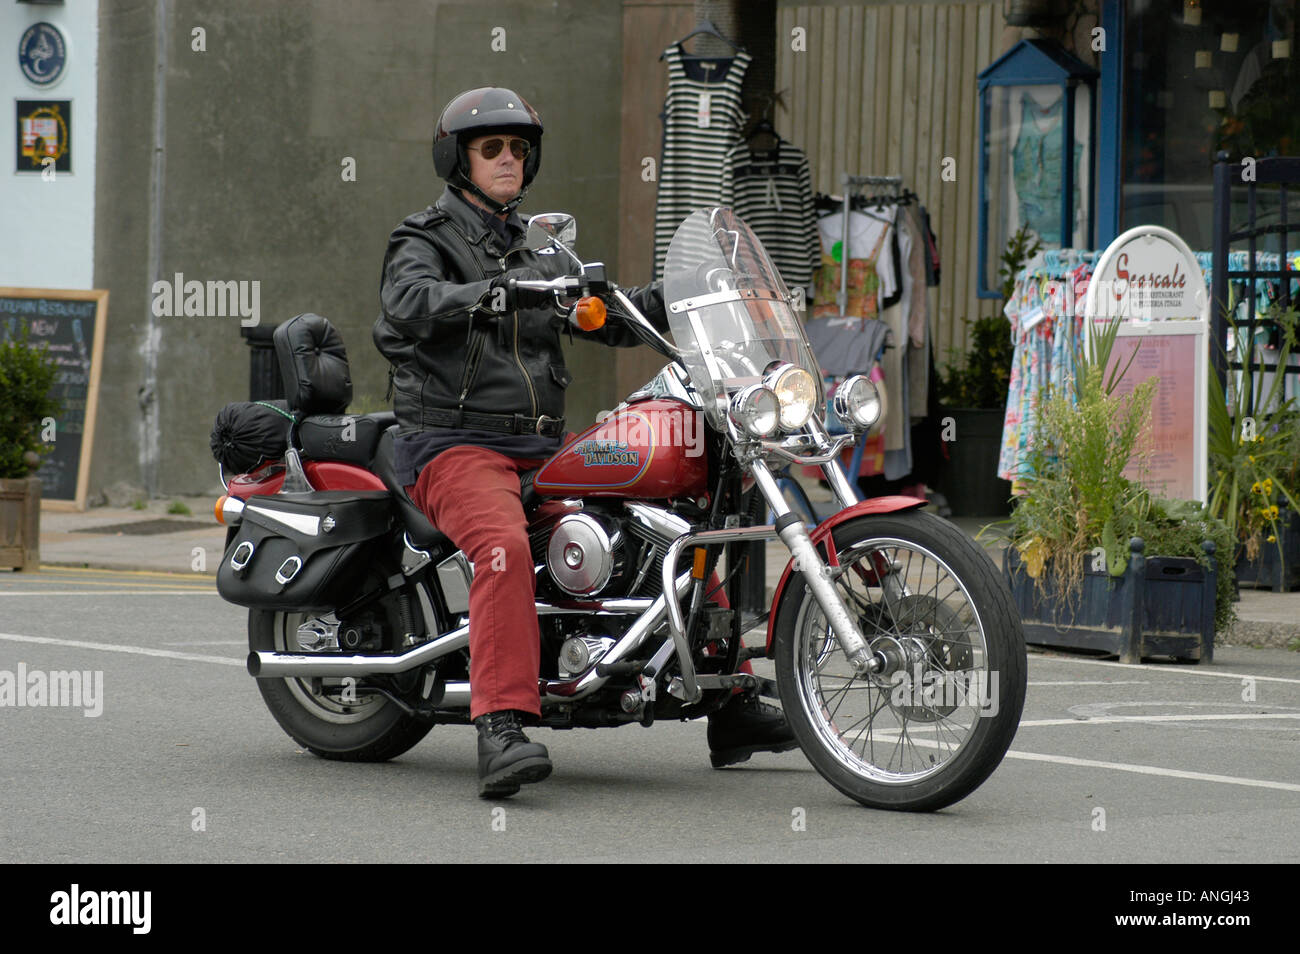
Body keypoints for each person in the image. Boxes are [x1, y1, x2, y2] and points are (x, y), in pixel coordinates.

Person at [373, 86, 795, 798]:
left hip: (540, 447)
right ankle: (500, 724)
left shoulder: (538, 248)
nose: (509, 159)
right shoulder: (425, 239)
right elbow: (411, 302)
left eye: (518, 149)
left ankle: (727, 698)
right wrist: (495, 293)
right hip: (453, 443)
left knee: (678, 524)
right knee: (501, 545)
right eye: (492, 148)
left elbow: (606, 313)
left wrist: (687, 297)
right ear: (460, 159)